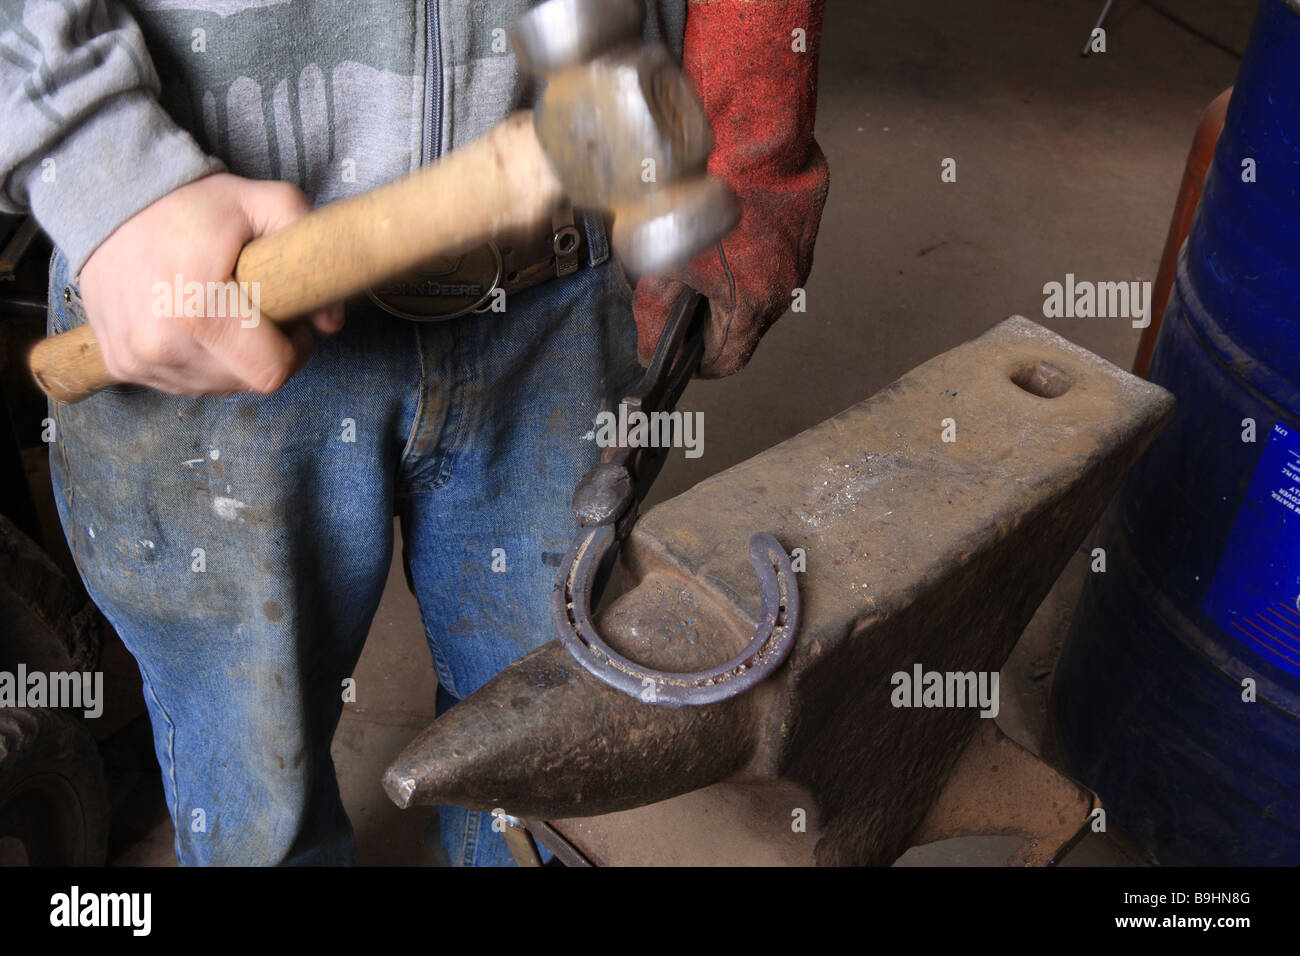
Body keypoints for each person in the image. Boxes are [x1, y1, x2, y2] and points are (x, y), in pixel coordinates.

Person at [0, 0, 828, 865]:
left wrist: (750, 130)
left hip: (557, 288)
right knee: (253, 804)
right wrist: (97, 155)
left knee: (546, 774)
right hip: (220, 302)